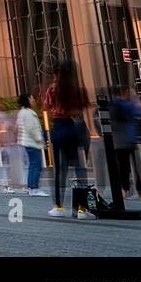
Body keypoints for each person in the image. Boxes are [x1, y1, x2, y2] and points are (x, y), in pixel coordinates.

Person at [43, 61, 90, 218]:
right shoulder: (78, 89)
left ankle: (58, 206)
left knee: (60, 169)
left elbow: (47, 107)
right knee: (80, 168)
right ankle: (82, 208)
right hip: (77, 127)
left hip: (59, 126)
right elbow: (82, 108)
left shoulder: (52, 89)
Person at [109, 87, 141, 199]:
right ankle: (126, 190)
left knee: (130, 166)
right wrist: (137, 103)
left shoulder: (119, 104)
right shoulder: (120, 104)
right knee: (126, 166)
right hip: (123, 139)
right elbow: (138, 111)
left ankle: (137, 189)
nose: (134, 95)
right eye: (132, 93)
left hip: (125, 139)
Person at [16, 93, 47, 197]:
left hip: (27, 142)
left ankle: (31, 187)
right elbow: (31, 128)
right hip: (32, 142)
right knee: (36, 166)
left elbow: (18, 127)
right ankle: (34, 188)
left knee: (32, 165)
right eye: (32, 98)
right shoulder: (28, 113)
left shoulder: (22, 112)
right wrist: (39, 139)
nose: (34, 100)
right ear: (28, 99)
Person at [0, 104, 17, 194]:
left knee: (3, 166)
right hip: (6, 145)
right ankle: (5, 185)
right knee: (5, 166)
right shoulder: (2, 122)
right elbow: (2, 134)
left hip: (4, 145)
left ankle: (0, 183)